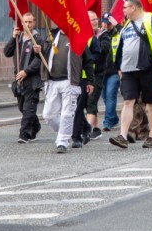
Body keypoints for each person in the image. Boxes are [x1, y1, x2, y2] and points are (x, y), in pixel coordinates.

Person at [109, 0, 152, 149]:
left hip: (147, 69)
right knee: (128, 102)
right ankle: (123, 136)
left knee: (151, 103)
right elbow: (122, 46)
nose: (123, 11)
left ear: (133, 7)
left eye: (125, 7)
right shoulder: (127, 24)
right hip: (128, 70)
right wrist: (119, 67)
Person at [41, 24, 93, 153]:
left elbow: (88, 61)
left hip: (70, 82)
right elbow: (44, 55)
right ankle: (66, 132)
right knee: (48, 115)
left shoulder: (78, 38)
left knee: (66, 114)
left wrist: (90, 81)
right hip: (52, 81)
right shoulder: (52, 35)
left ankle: (62, 142)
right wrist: (38, 52)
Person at [3, 12, 45, 143]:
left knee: (28, 108)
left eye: (30, 22)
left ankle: (24, 135)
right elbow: (7, 52)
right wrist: (12, 38)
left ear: (34, 23)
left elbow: (39, 60)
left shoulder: (38, 39)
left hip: (32, 80)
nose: (27, 24)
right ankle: (36, 126)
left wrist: (26, 71)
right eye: (25, 22)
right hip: (19, 80)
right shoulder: (18, 38)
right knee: (22, 107)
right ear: (22, 23)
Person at [71, 14, 99, 148]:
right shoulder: (59, 37)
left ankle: (76, 137)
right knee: (71, 108)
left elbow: (90, 60)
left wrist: (90, 81)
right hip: (66, 78)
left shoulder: (84, 38)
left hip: (82, 78)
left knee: (77, 108)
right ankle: (86, 127)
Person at [85, 12, 111, 141]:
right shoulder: (83, 35)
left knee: (91, 101)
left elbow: (102, 51)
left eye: (95, 19)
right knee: (85, 102)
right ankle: (94, 128)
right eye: (91, 20)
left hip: (97, 74)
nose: (94, 21)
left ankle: (88, 130)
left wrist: (88, 57)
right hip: (84, 75)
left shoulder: (103, 35)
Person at [100, 13, 121, 132]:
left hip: (114, 71)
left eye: (109, 23)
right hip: (102, 71)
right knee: (105, 97)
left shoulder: (118, 33)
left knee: (110, 95)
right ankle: (114, 118)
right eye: (105, 23)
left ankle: (107, 122)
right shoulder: (100, 34)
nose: (107, 25)